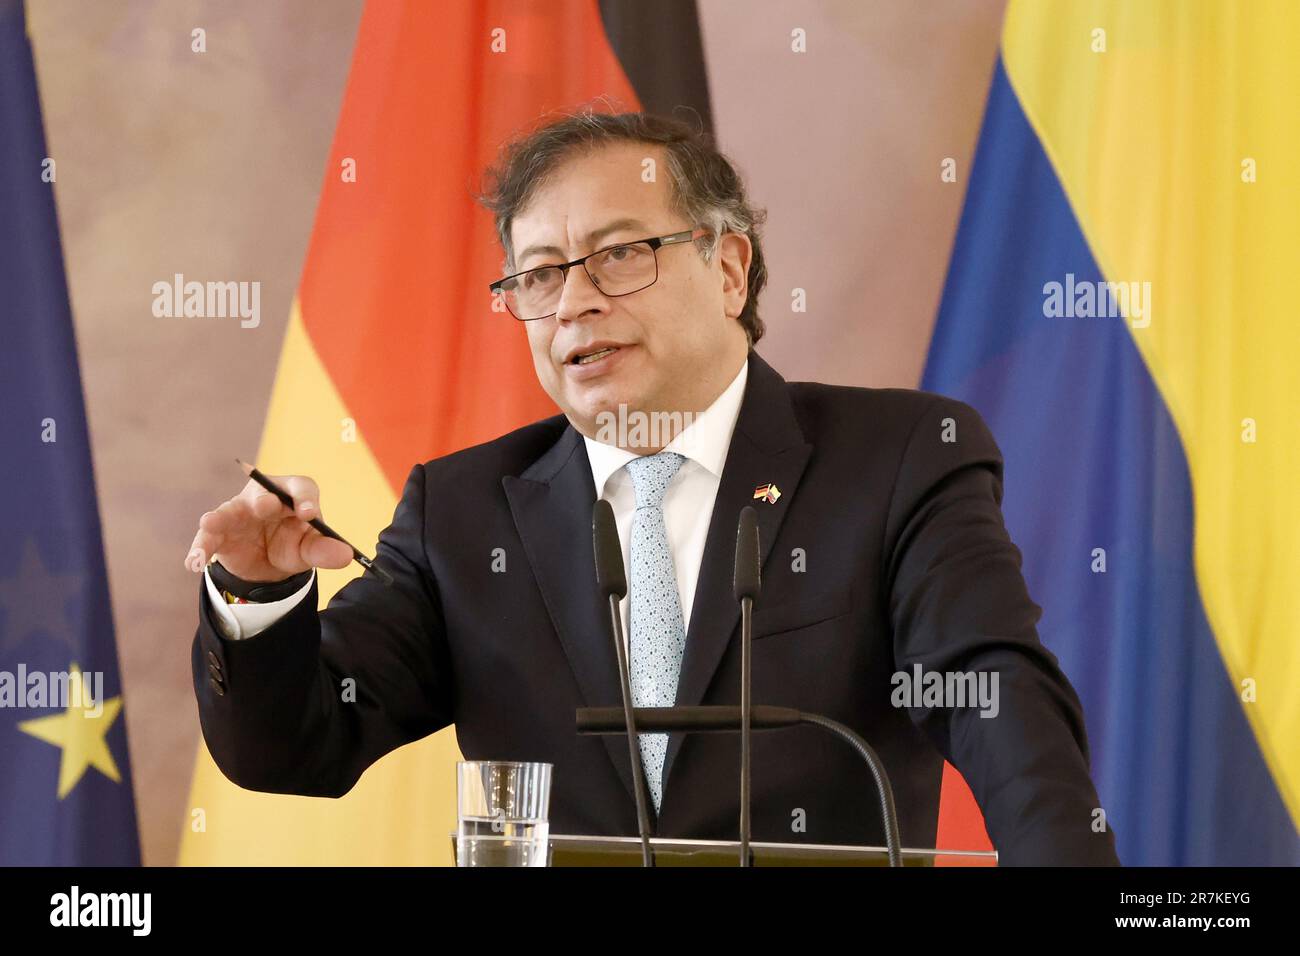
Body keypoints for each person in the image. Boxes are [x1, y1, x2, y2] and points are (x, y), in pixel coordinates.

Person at [186, 111, 1119, 865]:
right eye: (540, 275)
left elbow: (990, 691)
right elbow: (296, 746)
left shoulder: (899, 457)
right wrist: (260, 596)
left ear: (727, 268)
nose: (577, 301)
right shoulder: (464, 511)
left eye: (620, 255)